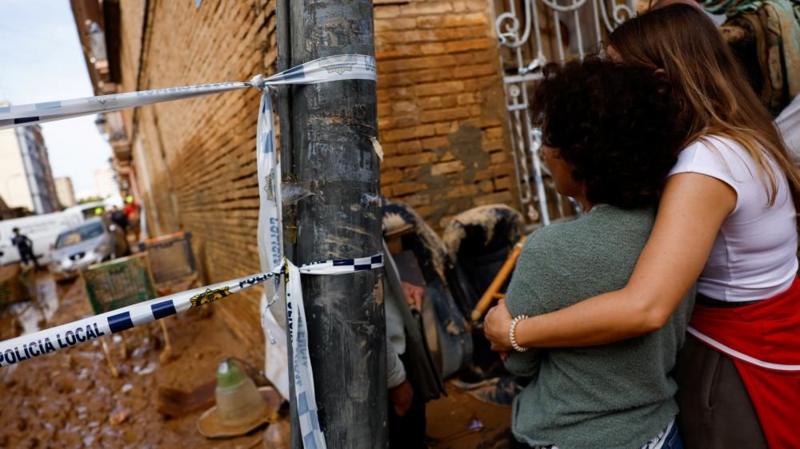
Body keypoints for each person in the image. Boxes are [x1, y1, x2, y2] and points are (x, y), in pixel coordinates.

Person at [484, 5, 800, 449]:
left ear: (658, 78)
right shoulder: (740, 133)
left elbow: (645, 308)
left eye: (617, 72)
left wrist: (515, 331)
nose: (610, 87)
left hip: (735, 357)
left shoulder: (704, 165)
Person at [502, 59, 689, 449]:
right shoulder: (676, 235)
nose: (543, 152)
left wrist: (511, 330)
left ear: (579, 154)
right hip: (659, 431)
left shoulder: (549, 252)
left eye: (550, 139)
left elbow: (519, 363)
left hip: (570, 435)